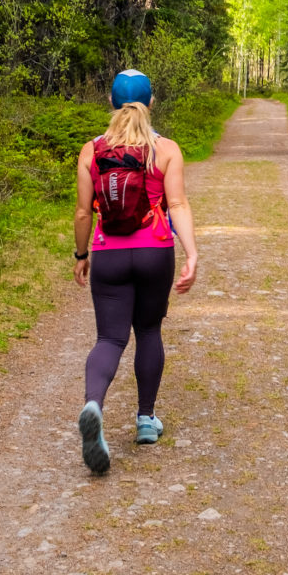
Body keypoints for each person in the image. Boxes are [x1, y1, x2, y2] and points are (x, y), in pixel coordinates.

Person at [73, 69, 198, 474]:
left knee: (110, 338)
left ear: (110, 102)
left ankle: (94, 405)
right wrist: (191, 253)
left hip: (108, 253)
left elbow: (81, 212)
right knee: (148, 331)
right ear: (151, 102)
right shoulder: (166, 149)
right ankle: (146, 421)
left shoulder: (92, 151)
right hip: (154, 252)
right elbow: (177, 205)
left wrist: (81, 255)